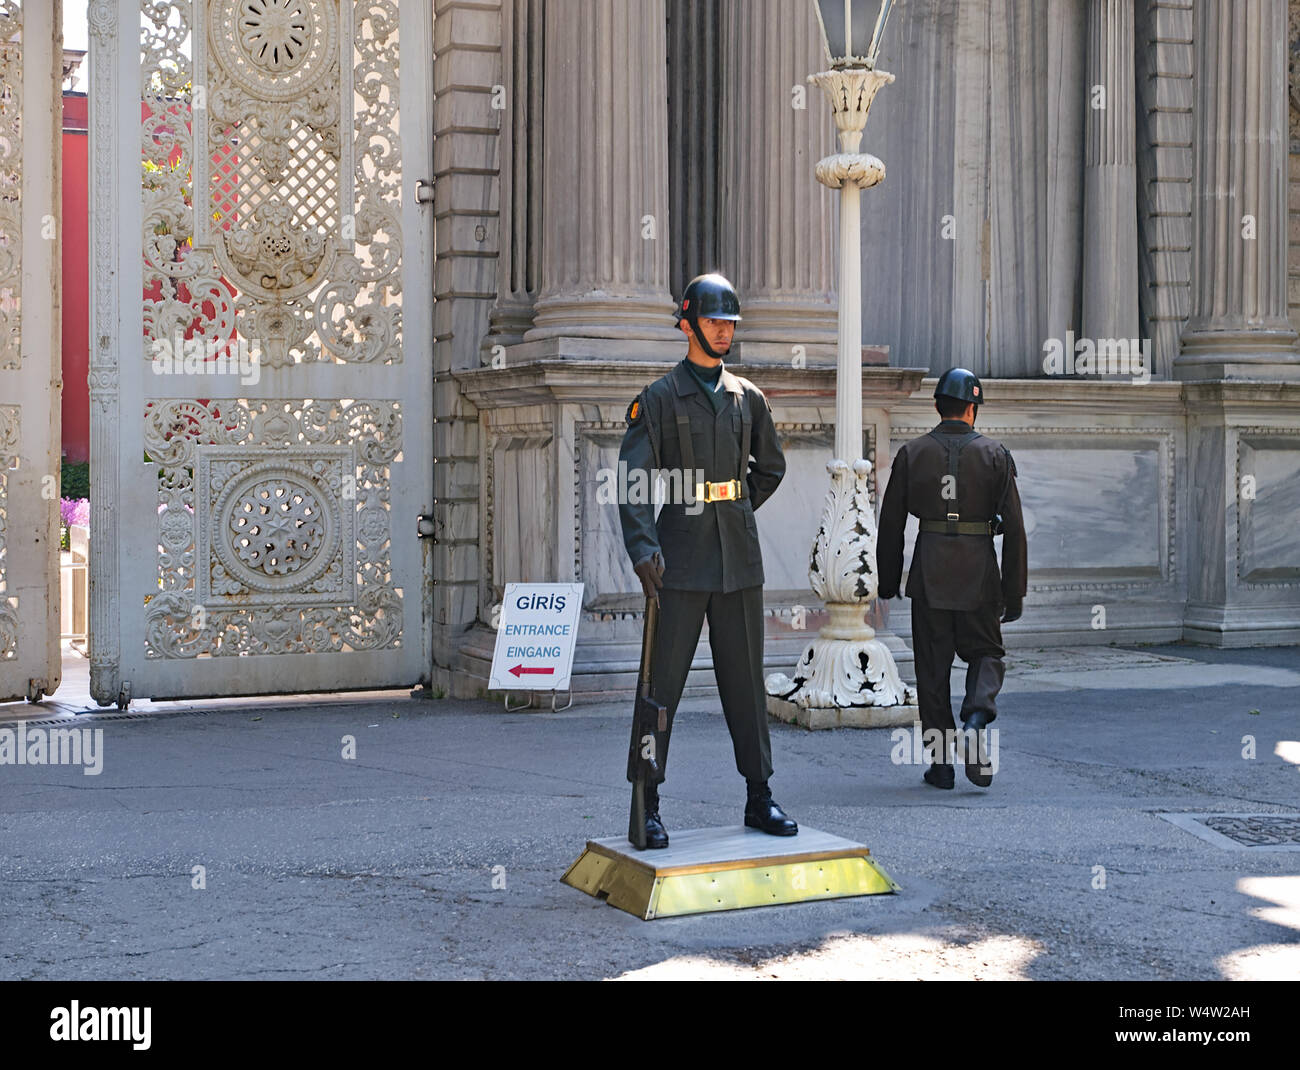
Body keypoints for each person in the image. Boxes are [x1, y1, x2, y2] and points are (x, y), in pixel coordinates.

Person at [617, 273, 796, 848]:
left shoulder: (749, 398)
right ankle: (648, 800)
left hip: (738, 561)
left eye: (731, 324)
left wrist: (737, 508)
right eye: (716, 322)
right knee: (661, 685)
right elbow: (635, 481)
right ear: (688, 324)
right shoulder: (660, 399)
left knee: (745, 684)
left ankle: (759, 794)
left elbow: (770, 469)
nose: (725, 332)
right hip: (681, 560)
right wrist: (643, 547)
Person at [875, 368, 1027, 789]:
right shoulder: (995, 455)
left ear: (937, 405)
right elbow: (1014, 530)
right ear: (973, 409)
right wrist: (1013, 594)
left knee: (932, 669)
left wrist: (888, 581)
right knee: (987, 654)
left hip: (930, 575)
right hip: (979, 574)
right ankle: (976, 718)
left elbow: (890, 525)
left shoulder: (912, 453)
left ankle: (941, 766)